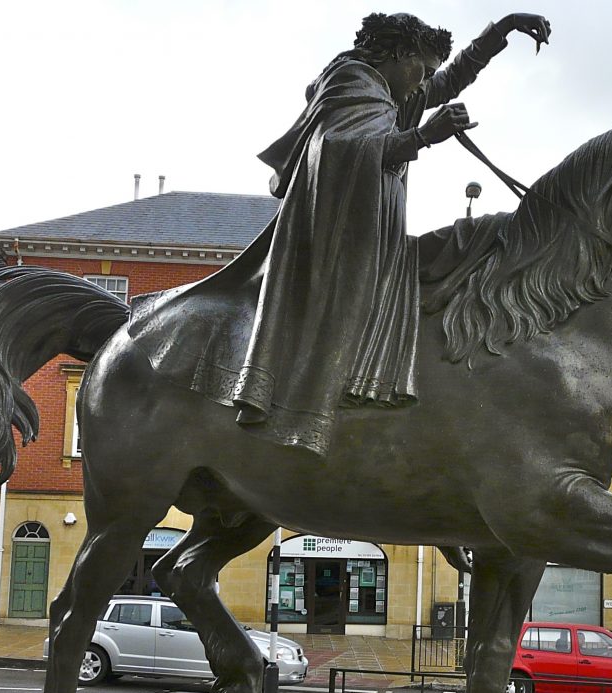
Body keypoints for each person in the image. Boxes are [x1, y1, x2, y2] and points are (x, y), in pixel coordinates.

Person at [226, 11, 553, 454]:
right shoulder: (351, 81)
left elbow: (451, 79)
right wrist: (425, 136)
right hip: (341, 241)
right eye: (422, 70)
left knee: (478, 236)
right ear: (400, 55)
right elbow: (345, 148)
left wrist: (502, 30)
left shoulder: (393, 91)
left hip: (380, 232)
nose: (424, 86)